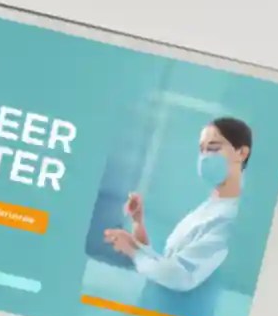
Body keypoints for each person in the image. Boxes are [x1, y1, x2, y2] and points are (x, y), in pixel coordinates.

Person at [103, 116, 251, 293]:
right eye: (202, 150)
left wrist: (133, 251)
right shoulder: (209, 208)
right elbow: (164, 264)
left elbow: (181, 276)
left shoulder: (231, 218)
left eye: (213, 148)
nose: (204, 158)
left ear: (241, 153)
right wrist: (138, 223)